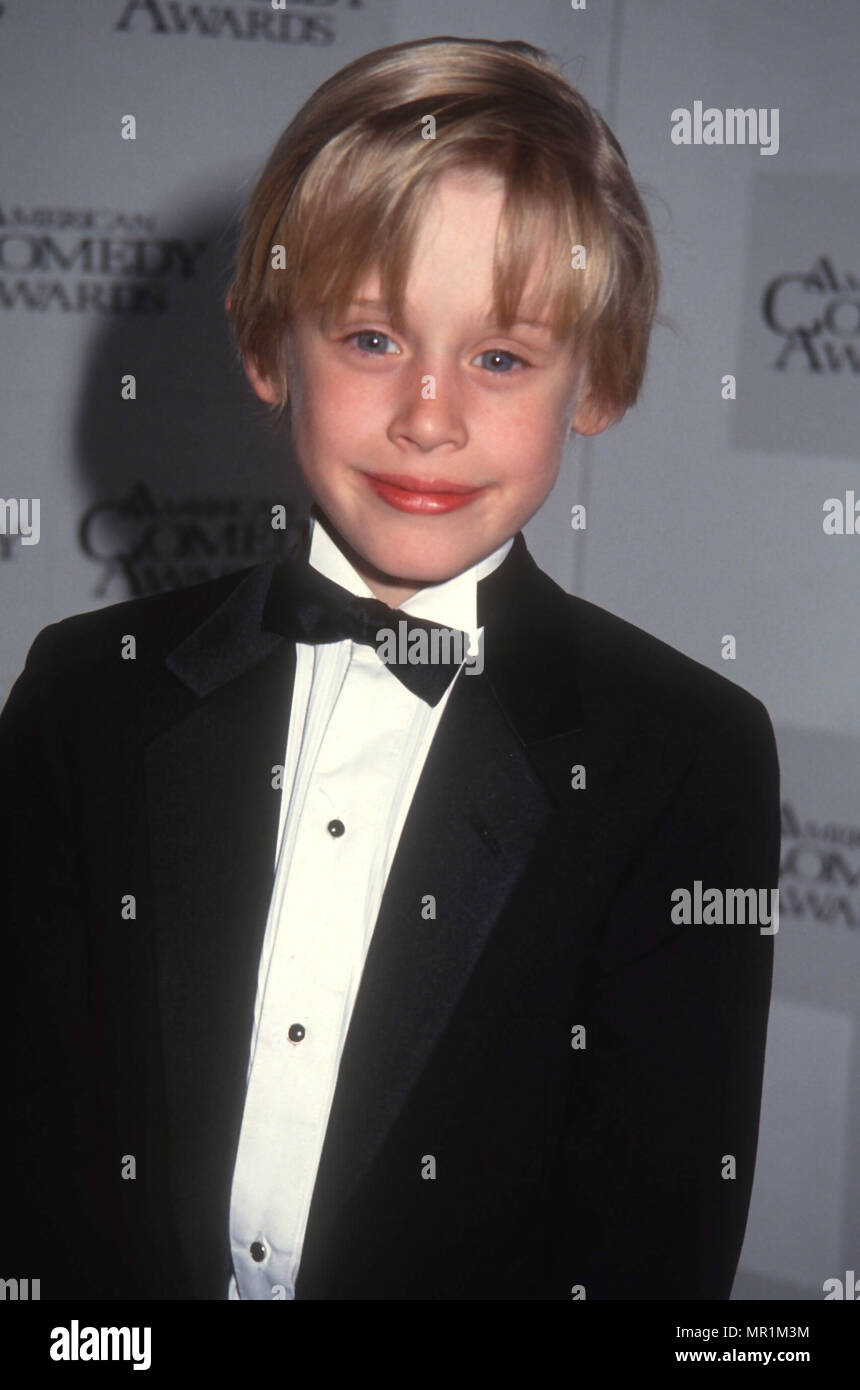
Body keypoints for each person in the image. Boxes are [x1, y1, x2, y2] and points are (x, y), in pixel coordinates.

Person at [0, 36, 779, 1301]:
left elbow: (652, 1244)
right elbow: (31, 1157)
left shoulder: (683, 752)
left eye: (499, 356)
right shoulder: (87, 693)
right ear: (266, 351)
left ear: (596, 381)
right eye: (370, 338)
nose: (429, 412)